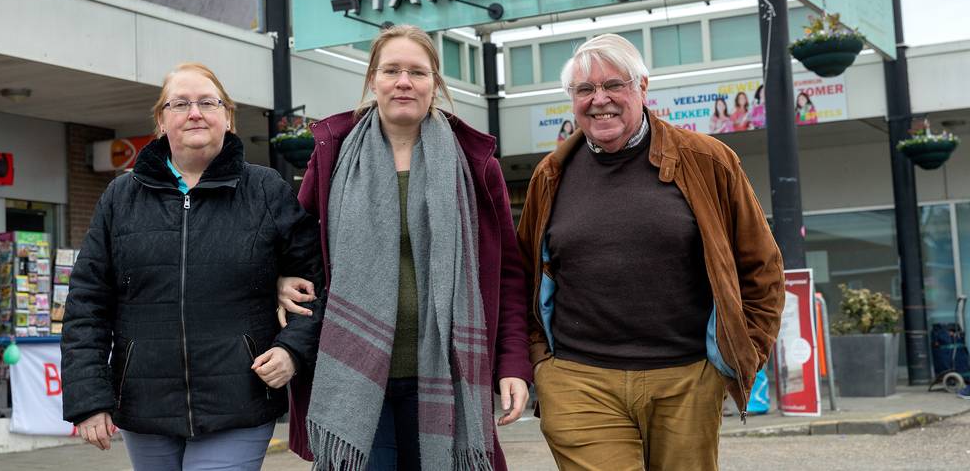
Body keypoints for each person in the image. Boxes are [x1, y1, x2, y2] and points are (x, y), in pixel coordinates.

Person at [517, 33, 784, 471]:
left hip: (687, 378)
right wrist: (541, 363)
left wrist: (744, 352)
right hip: (578, 379)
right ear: (572, 99)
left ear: (642, 87)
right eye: (584, 90)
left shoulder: (708, 161)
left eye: (613, 85)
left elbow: (763, 267)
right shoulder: (551, 175)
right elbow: (524, 275)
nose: (599, 99)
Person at [278, 24, 532, 471]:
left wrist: (512, 363)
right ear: (372, 80)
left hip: (444, 378)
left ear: (435, 83)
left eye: (417, 72)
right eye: (391, 70)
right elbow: (297, 247)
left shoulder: (475, 166)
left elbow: (507, 276)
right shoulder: (333, 155)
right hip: (355, 376)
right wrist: (282, 279)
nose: (403, 82)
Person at [61, 63, 324, 471]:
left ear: (228, 117)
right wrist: (89, 399)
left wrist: (292, 351)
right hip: (144, 405)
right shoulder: (120, 198)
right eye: (180, 103)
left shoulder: (266, 190)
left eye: (207, 102)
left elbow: (318, 282)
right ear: (161, 121)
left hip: (240, 398)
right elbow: (87, 303)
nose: (195, 112)